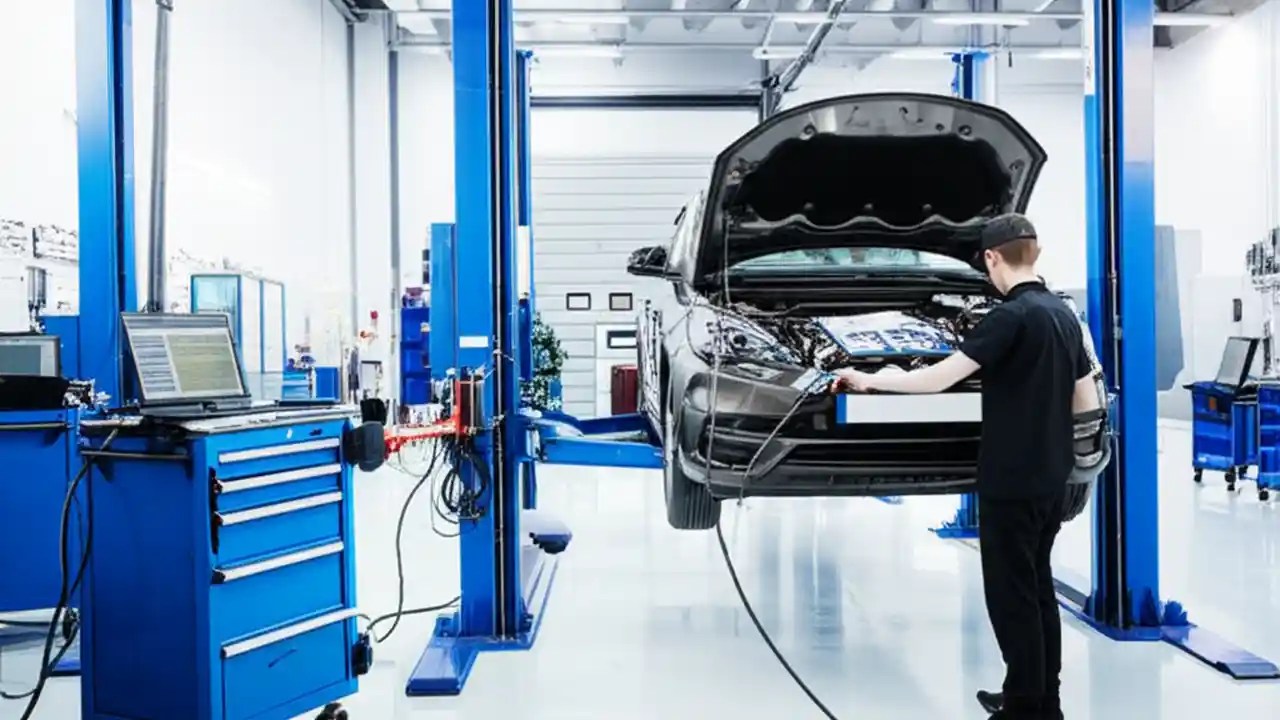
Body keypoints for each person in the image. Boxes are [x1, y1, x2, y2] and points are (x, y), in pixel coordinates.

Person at [832, 214, 1099, 719]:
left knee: (1011, 595)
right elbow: (1084, 398)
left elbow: (937, 380)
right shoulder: (1064, 316)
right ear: (1035, 254)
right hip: (1051, 476)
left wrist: (872, 381)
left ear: (992, 258)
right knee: (1037, 588)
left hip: (1012, 478)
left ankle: (1024, 708)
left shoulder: (1010, 318)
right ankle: (1042, 698)